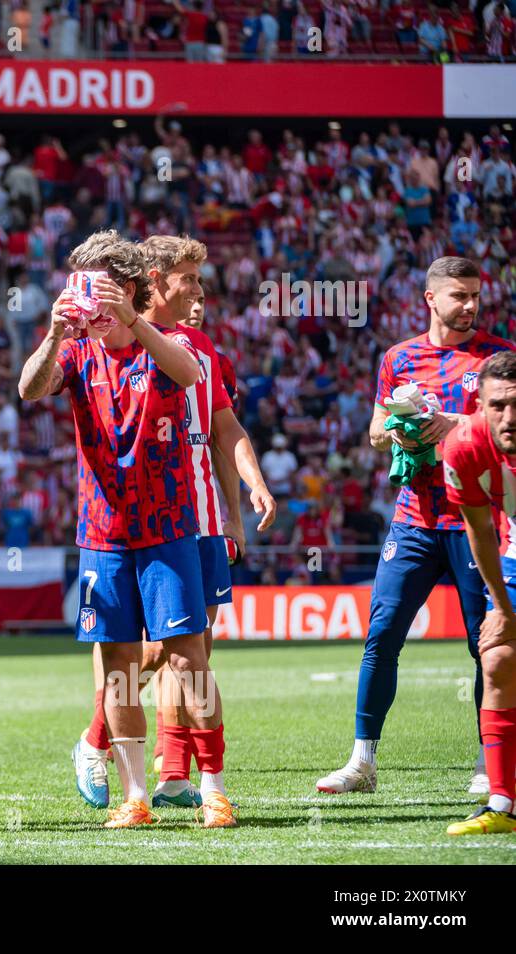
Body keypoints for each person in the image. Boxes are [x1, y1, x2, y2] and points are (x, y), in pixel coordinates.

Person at [71, 236, 275, 823]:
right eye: (188, 279)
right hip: (123, 524)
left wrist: (243, 499)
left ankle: (181, 774)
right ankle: (114, 747)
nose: (198, 293)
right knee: (141, 653)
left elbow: (223, 428)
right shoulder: (104, 343)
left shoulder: (201, 351)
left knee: (190, 653)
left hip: (195, 518)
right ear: (153, 280)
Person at [19, 229, 212, 829]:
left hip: (168, 526)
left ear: (127, 289)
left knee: (188, 661)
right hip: (102, 535)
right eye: (81, 288)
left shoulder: (166, 343)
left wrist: (132, 317)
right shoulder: (76, 350)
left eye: (100, 289)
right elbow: (27, 390)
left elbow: (190, 376)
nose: (91, 303)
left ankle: (213, 784)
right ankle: (136, 795)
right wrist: (54, 330)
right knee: (122, 669)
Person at [316, 256, 513, 797]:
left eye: (475, 295)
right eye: (459, 295)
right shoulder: (399, 358)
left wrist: (456, 424)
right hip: (414, 521)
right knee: (381, 636)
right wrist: (397, 435)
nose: (470, 305)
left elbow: (507, 428)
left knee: (487, 645)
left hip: (477, 520)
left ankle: (487, 762)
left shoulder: (498, 357)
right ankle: (362, 762)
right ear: (430, 298)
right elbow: (377, 430)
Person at [441, 351, 516, 834]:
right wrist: (503, 609)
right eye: (498, 406)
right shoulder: (463, 446)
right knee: (497, 658)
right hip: (512, 548)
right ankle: (503, 803)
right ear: (479, 404)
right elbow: (480, 531)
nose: (509, 417)